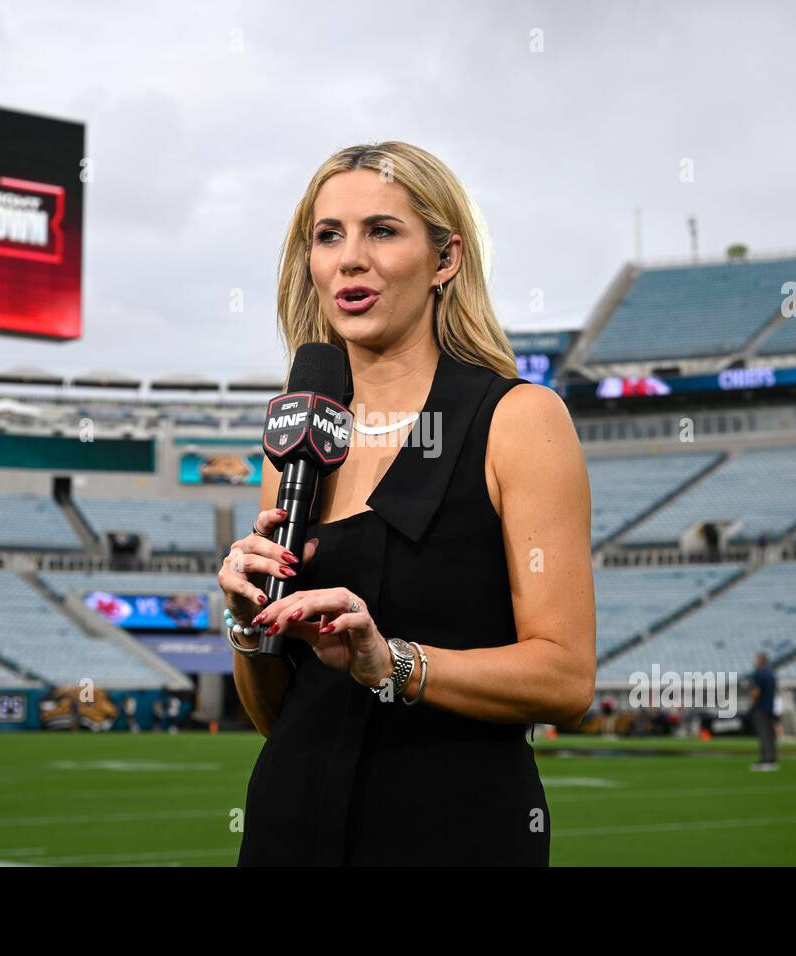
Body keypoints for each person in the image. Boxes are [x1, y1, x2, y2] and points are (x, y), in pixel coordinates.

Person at [219, 141, 596, 866]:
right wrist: (246, 624)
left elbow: (566, 676)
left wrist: (389, 662)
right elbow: (277, 715)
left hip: (453, 831)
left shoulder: (518, 419)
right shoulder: (296, 434)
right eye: (328, 236)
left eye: (381, 231)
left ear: (446, 259)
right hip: (287, 830)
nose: (348, 259)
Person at [748, 652, 778, 770]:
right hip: (770, 707)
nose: (754, 662)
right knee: (770, 735)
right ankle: (772, 759)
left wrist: (752, 703)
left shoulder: (759, 673)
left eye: (756, 660)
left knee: (763, 734)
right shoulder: (771, 673)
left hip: (761, 708)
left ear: (761, 661)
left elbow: (756, 691)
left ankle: (766, 760)